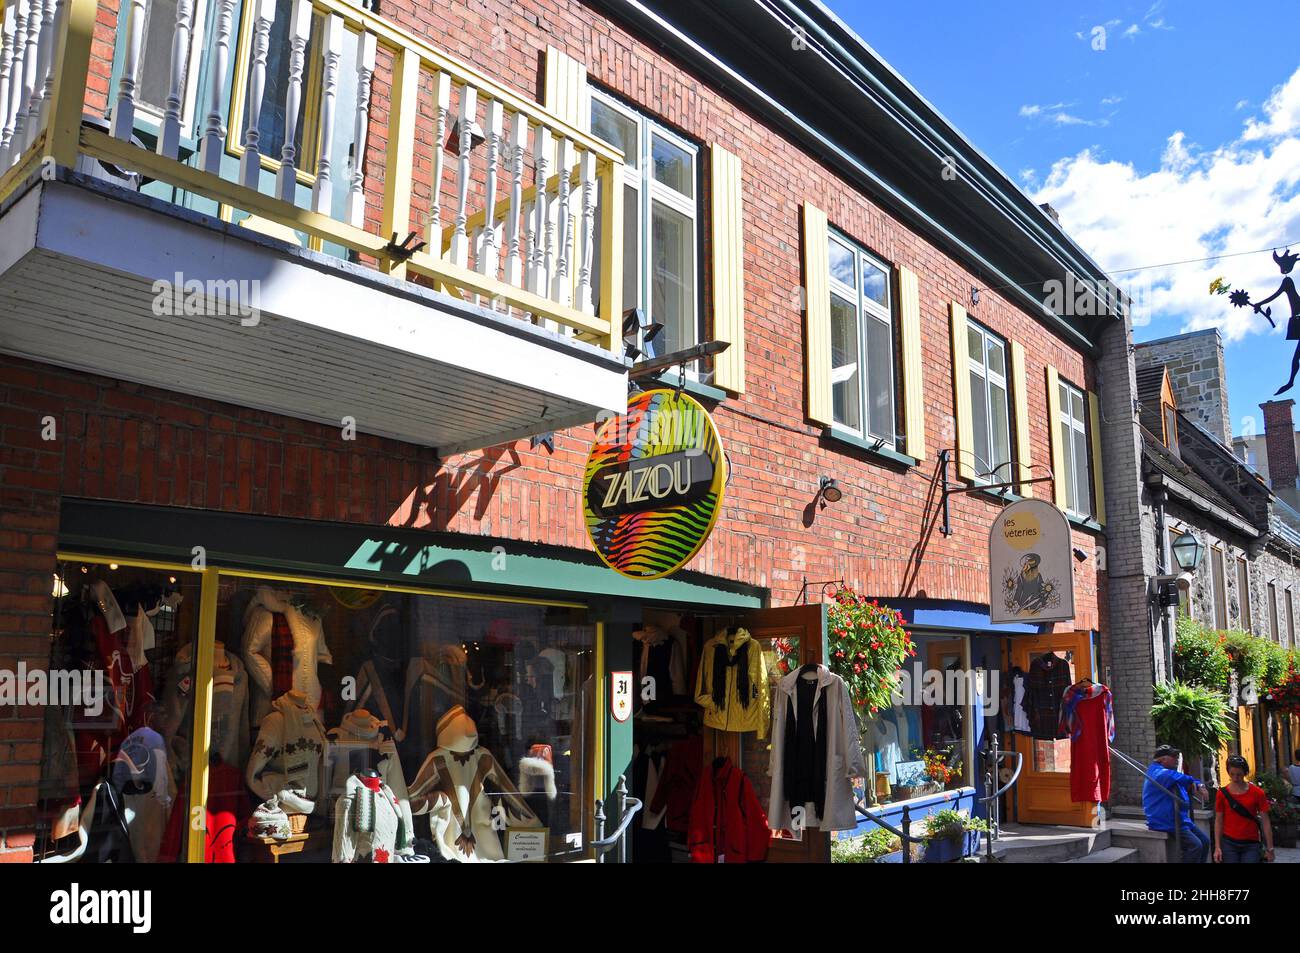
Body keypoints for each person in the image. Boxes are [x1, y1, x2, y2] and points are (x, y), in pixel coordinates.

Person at [1143, 744, 1210, 863]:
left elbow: (1182, 777)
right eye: (1173, 756)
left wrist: (1196, 783)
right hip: (1166, 821)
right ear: (1163, 759)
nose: (1177, 759)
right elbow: (1180, 777)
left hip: (1179, 819)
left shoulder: (1166, 772)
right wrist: (1198, 784)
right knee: (1195, 846)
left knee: (1205, 842)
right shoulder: (1159, 773)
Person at [1215, 754, 1274, 864]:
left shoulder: (1257, 793)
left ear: (1245, 773)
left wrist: (1270, 848)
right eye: (1232, 774)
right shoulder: (1222, 794)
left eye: (1239, 774)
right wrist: (1217, 847)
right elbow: (1218, 821)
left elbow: (1265, 821)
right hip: (1229, 843)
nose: (1235, 778)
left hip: (1251, 843)